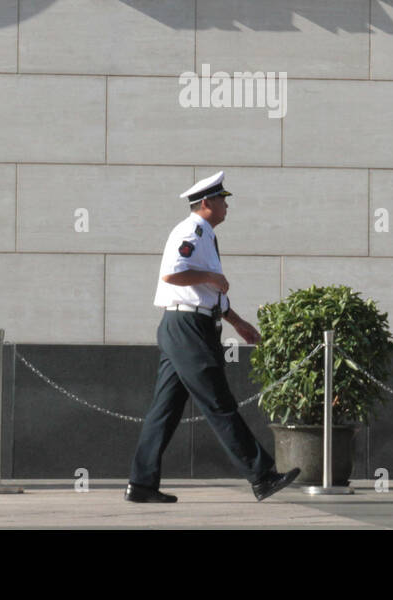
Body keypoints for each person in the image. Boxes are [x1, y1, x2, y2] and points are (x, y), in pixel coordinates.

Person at [126, 171, 299, 503]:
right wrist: (212, 275)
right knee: (219, 403)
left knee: (165, 410)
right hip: (187, 329)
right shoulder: (192, 230)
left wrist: (237, 321)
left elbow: (205, 292)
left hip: (188, 326)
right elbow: (173, 272)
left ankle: (142, 483)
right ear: (206, 203)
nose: (226, 205)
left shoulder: (204, 233)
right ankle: (261, 475)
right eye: (222, 199)